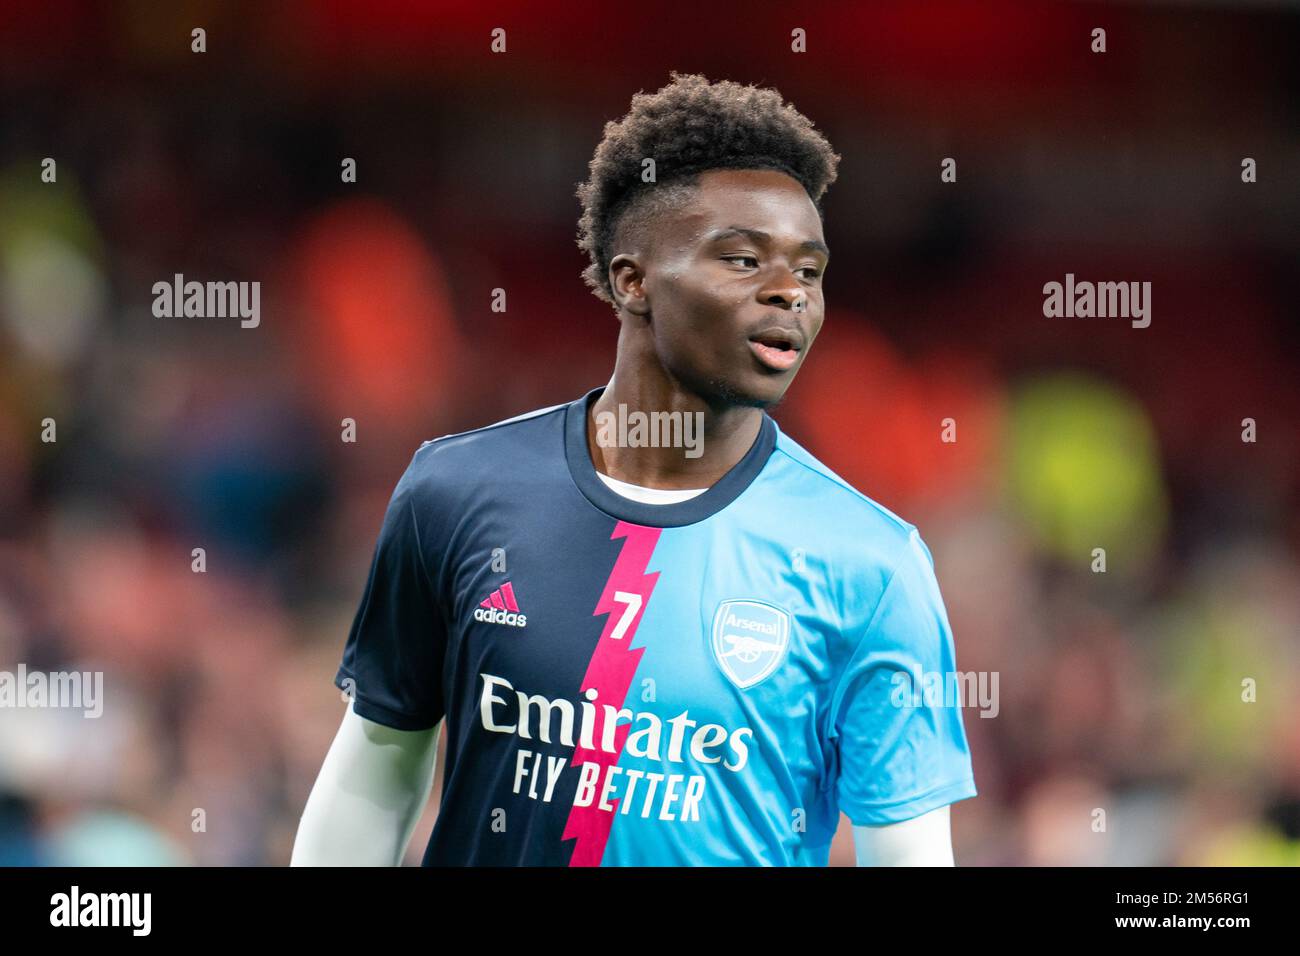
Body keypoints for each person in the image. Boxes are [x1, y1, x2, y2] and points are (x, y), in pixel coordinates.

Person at [292, 72, 976, 866]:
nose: (790, 293)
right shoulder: (456, 492)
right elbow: (377, 770)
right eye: (745, 259)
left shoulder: (872, 565)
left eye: (810, 271)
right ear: (633, 279)